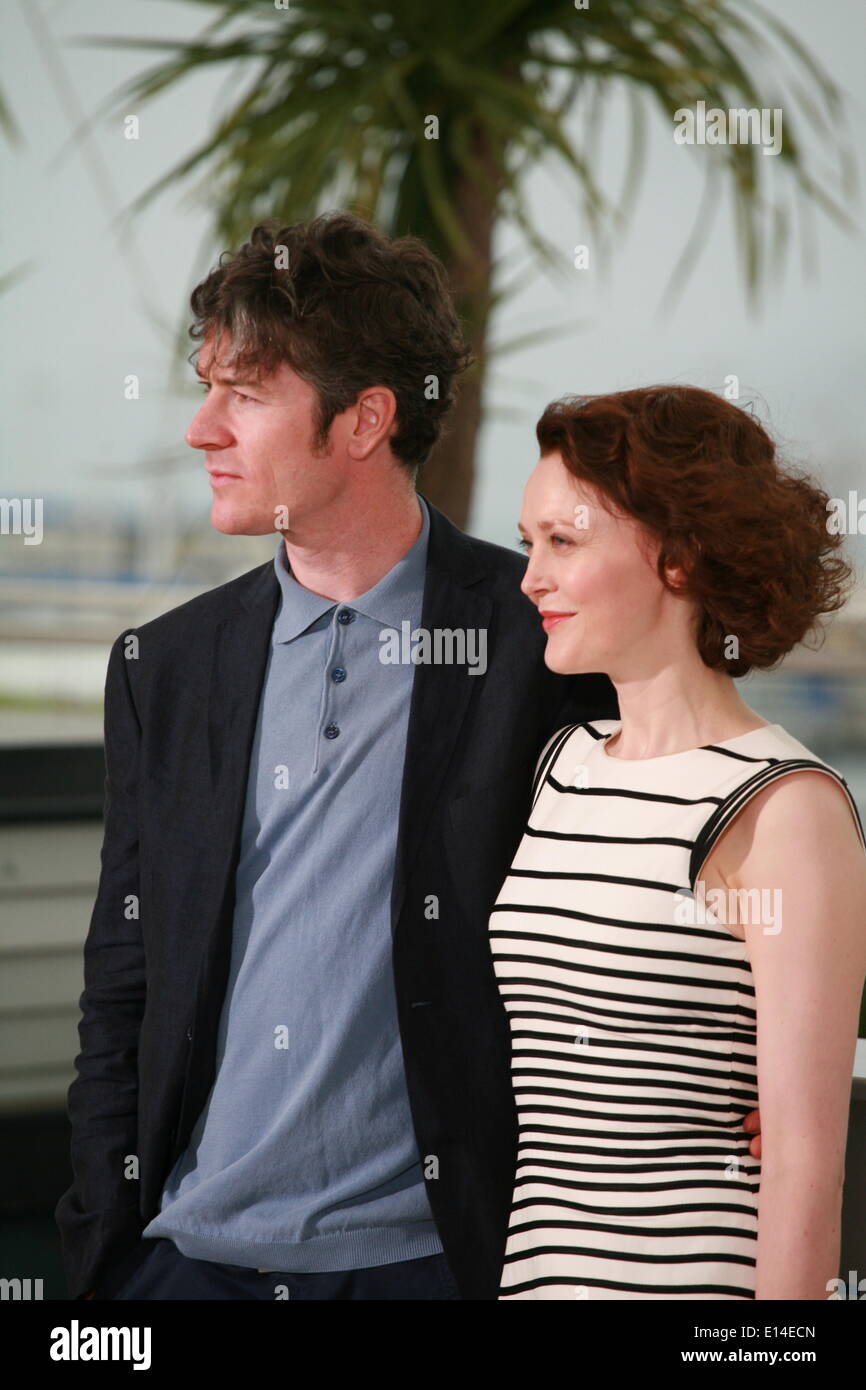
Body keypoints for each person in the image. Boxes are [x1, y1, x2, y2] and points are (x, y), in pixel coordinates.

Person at [55, 211, 650, 1302]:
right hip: (183, 1260)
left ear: (365, 418)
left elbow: (647, 897)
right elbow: (124, 982)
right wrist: (104, 1249)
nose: (200, 429)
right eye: (205, 387)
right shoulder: (166, 665)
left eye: (244, 392)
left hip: (433, 1264)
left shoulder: (542, 644)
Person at [490, 385, 866, 1300]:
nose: (531, 577)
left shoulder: (784, 808)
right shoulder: (560, 768)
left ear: (678, 557)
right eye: (527, 543)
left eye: (564, 543)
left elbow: (807, 1168)